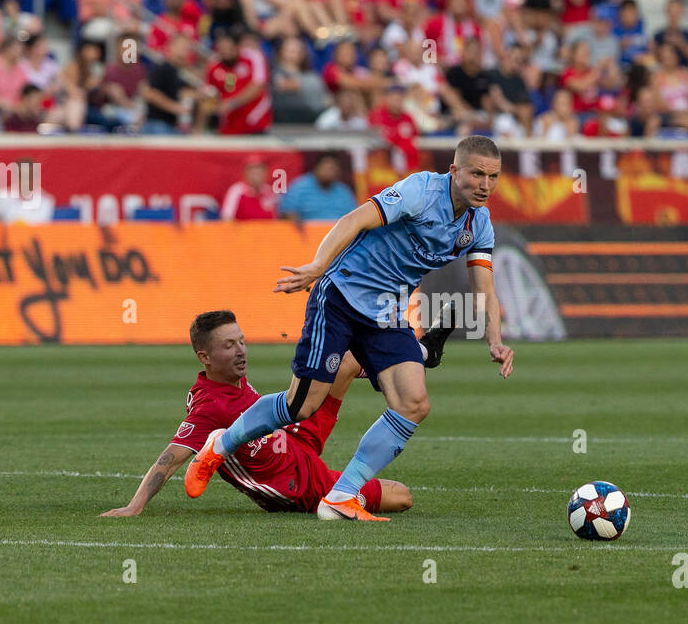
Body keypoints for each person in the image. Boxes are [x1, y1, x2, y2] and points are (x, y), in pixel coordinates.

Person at [183, 136, 514, 522]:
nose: (485, 185)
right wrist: (319, 265)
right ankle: (220, 443)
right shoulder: (420, 191)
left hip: (386, 311)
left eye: (493, 176)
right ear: (455, 170)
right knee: (301, 405)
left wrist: (495, 339)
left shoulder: (479, 224)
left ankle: (341, 495)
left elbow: (484, 287)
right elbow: (353, 220)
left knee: (414, 403)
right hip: (341, 294)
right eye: (477, 174)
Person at [99, 308, 459, 519]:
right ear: (204, 357)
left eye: (241, 341)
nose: (241, 351)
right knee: (403, 496)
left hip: (296, 439)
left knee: (346, 362)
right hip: (297, 486)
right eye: (228, 346)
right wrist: (135, 506)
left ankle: (424, 353)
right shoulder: (211, 405)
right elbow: (173, 455)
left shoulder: (232, 382)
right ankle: (340, 496)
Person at [278, 153, 358, 222]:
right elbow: (287, 211)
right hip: (306, 236)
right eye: (326, 168)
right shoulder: (299, 187)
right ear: (316, 168)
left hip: (338, 235)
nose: (328, 172)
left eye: (332, 169)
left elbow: (353, 216)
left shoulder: (343, 192)